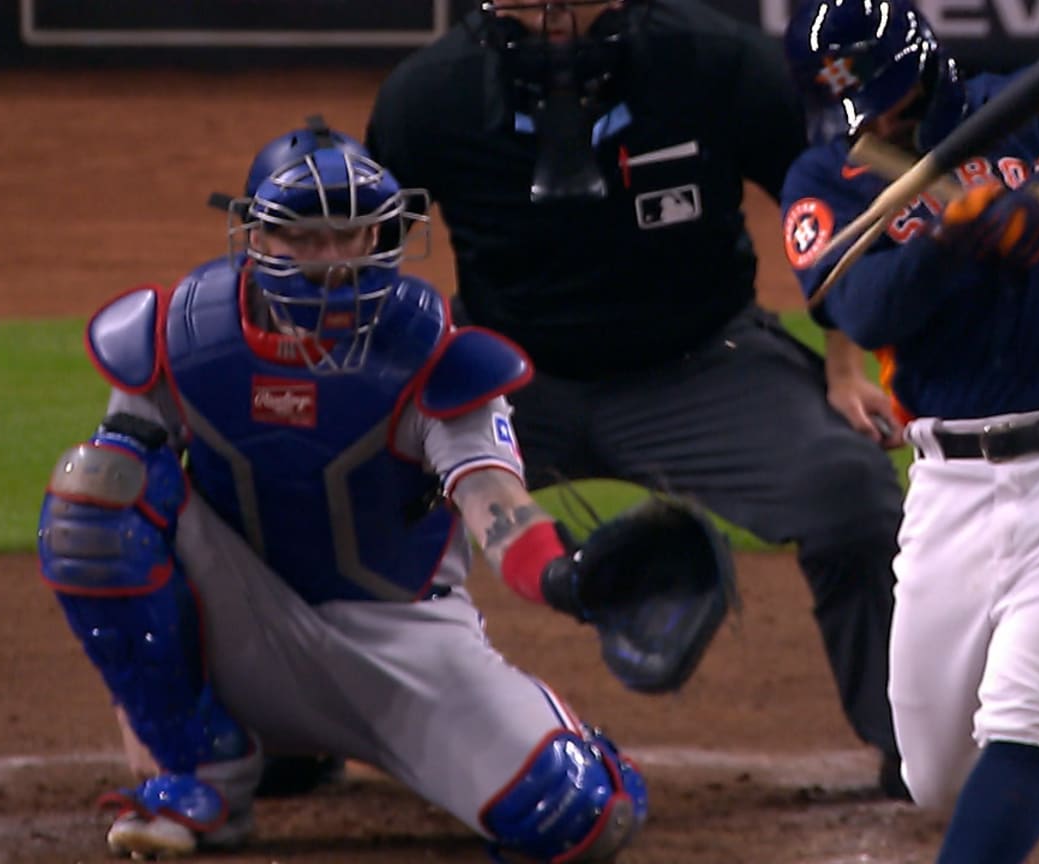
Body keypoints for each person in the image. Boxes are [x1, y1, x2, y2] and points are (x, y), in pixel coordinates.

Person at [35, 121, 649, 861]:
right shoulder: (180, 337)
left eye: (354, 236)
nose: (333, 260)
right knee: (95, 489)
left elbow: (493, 498)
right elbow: (115, 489)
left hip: (399, 646)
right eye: (307, 236)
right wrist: (143, 719)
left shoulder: (435, 358)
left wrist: (555, 571)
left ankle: (577, 752)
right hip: (240, 620)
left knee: (572, 817)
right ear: (258, 236)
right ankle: (200, 769)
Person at [365, 0, 911, 797]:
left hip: (704, 366)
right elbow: (365, 259)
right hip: (510, 385)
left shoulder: (717, 63)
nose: (550, 21)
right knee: (343, 489)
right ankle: (294, 730)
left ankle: (910, 736)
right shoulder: (428, 95)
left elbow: (831, 203)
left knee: (849, 492)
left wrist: (843, 370)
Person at [780, 1, 1039, 862]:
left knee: (1023, 727)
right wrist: (951, 241)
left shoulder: (1024, 106)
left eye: (888, 104)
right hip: (949, 491)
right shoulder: (826, 179)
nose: (877, 127)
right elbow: (860, 306)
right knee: (936, 773)